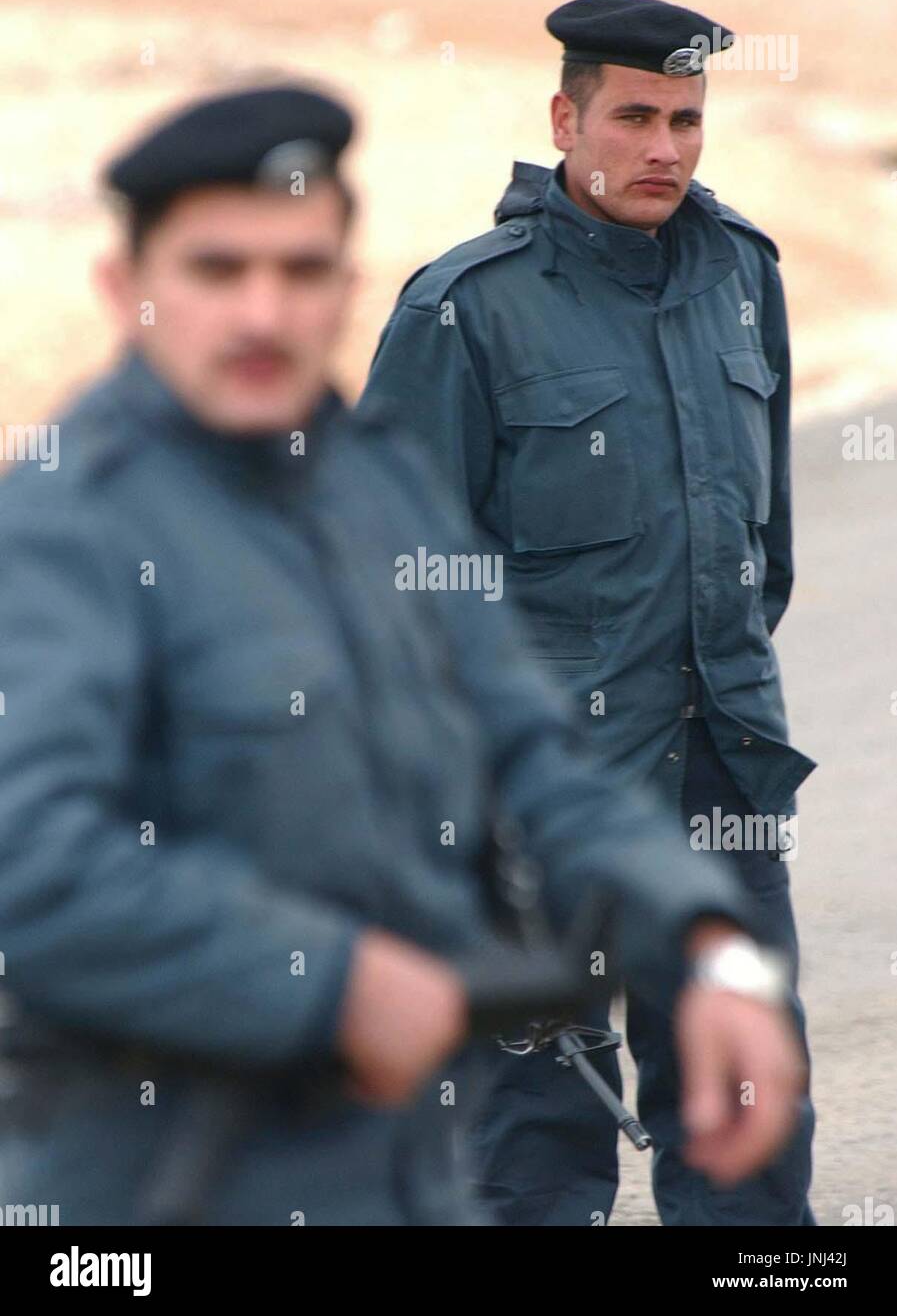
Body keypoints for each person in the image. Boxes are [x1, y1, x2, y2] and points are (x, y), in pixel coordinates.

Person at [0, 81, 801, 1226]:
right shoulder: (69, 522)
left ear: (343, 286)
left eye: (302, 269)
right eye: (219, 271)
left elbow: (535, 749)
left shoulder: (374, 486)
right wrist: (328, 981)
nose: (263, 313)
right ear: (127, 291)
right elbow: (34, 864)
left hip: (397, 1171)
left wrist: (704, 937)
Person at [361, 0, 817, 1226]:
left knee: (752, 1121)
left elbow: (758, 547)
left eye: (686, 118)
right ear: (567, 118)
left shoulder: (742, 275)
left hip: (722, 775)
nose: (664, 146)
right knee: (532, 1151)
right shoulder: (465, 307)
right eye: (635, 116)